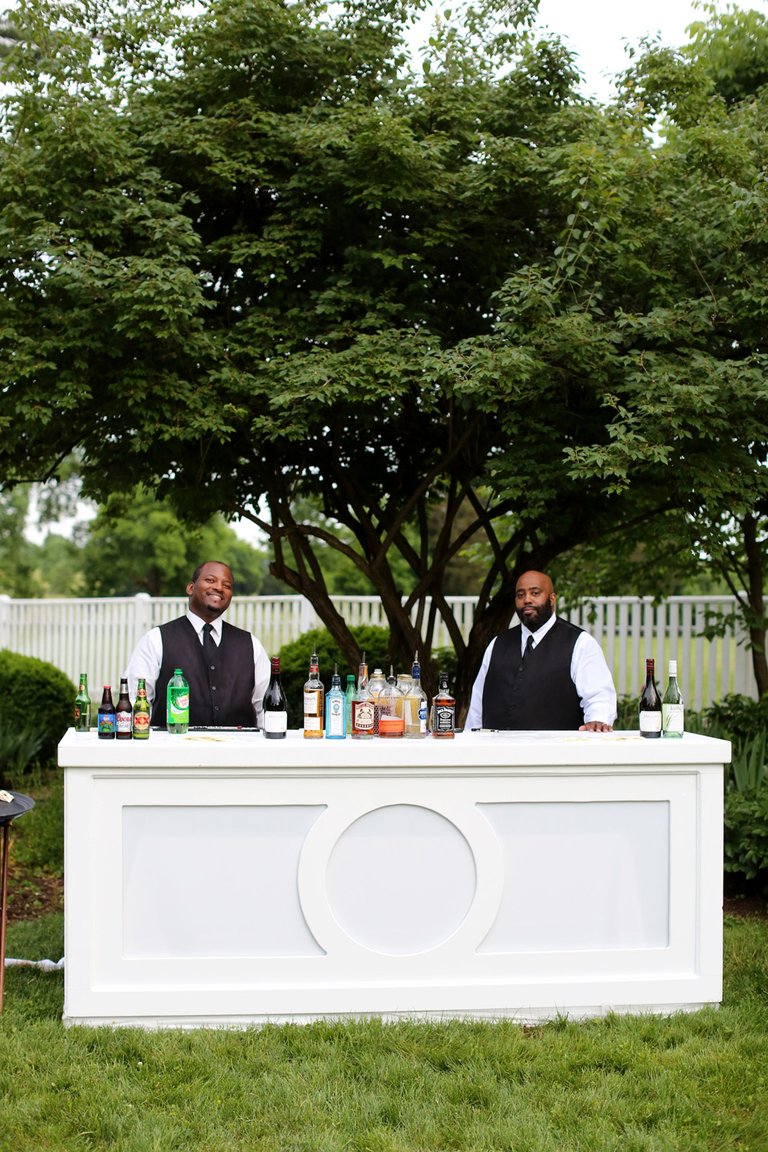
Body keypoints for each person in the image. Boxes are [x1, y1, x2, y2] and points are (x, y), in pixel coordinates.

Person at [465, 570, 616, 732]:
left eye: (535, 593)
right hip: (497, 753)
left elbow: (598, 697)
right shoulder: (497, 644)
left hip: (556, 753)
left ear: (552, 599)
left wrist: (597, 720)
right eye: (520, 595)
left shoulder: (581, 643)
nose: (527, 600)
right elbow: (478, 703)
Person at [124, 561, 271, 729]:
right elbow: (135, 701)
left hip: (237, 750)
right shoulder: (156, 639)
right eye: (210, 580)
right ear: (190, 588)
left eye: (227, 585)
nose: (219, 587)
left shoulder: (250, 644)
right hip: (173, 749)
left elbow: (266, 709)